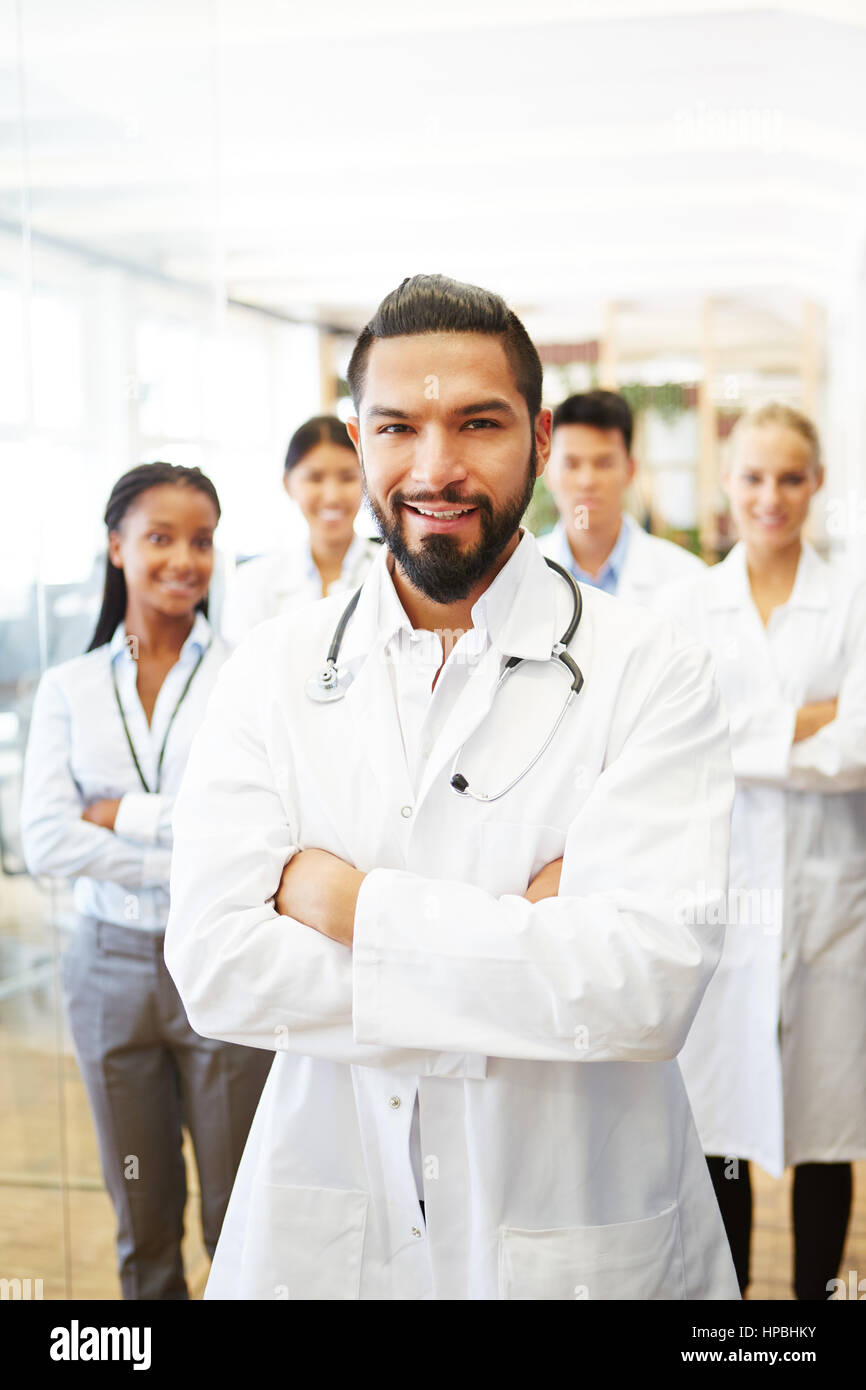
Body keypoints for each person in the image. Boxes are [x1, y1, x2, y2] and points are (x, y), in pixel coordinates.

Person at [165, 274, 739, 1301]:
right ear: (357, 438)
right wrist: (520, 937)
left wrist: (348, 906)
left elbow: (642, 987)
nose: (435, 468)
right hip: (328, 1219)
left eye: (476, 422)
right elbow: (215, 966)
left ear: (538, 432)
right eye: (396, 427)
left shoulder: (650, 665)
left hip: (573, 1218)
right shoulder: (271, 667)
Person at [20, 463, 272, 1300]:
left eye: (200, 540)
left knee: (241, 1212)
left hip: (224, 953)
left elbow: (258, 834)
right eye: (160, 537)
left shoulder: (249, 678)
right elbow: (48, 840)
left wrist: (119, 815)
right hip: (109, 967)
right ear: (116, 546)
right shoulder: (71, 688)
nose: (184, 559)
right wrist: (187, 833)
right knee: (142, 1212)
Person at [653, 403, 866, 1299]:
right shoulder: (685, 607)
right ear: (726, 488)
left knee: (829, 1120)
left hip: (831, 899)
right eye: (752, 478)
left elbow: (858, 749)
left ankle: (815, 1306)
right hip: (724, 894)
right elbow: (676, 745)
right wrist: (806, 725)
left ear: (816, 484)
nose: (770, 497)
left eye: (789, 477)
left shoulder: (854, 597)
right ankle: (731, 1313)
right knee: (718, 1118)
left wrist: (746, 741)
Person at [220, 414, 380, 644]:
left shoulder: (396, 576)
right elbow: (242, 674)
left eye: (348, 478)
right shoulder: (253, 583)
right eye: (315, 478)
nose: (332, 496)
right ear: (288, 483)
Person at [538, 389, 704, 600]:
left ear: (630, 470)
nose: (587, 481)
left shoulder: (687, 577)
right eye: (571, 464)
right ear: (548, 472)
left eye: (604, 464)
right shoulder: (517, 574)